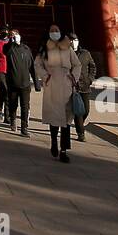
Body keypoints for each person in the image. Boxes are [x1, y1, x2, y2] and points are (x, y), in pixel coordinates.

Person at [35, 24, 81, 162]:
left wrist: (73, 77)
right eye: (52, 30)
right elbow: (37, 64)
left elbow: (77, 64)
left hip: (66, 85)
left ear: (61, 32)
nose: (54, 32)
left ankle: (64, 150)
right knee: (54, 118)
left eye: (56, 30)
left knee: (66, 121)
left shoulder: (68, 47)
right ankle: (54, 141)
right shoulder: (45, 48)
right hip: (52, 84)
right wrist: (45, 76)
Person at [4, 30, 38, 137]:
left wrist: (36, 82)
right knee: (13, 104)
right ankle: (13, 120)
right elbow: (6, 50)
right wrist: (11, 41)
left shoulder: (26, 49)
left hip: (25, 83)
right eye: (12, 36)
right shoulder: (9, 48)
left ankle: (24, 127)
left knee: (25, 106)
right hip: (13, 83)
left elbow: (32, 67)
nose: (15, 37)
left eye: (16, 35)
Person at [70, 32, 95, 141]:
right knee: (78, 111)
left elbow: (92, 67)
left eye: (75, 40)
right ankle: (81, 133)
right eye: (71, 41)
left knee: (86, 110)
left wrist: (90, 79)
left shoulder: (85, 53)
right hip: (73, 87)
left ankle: (79, 124)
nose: (73, 42)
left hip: (85, 86)